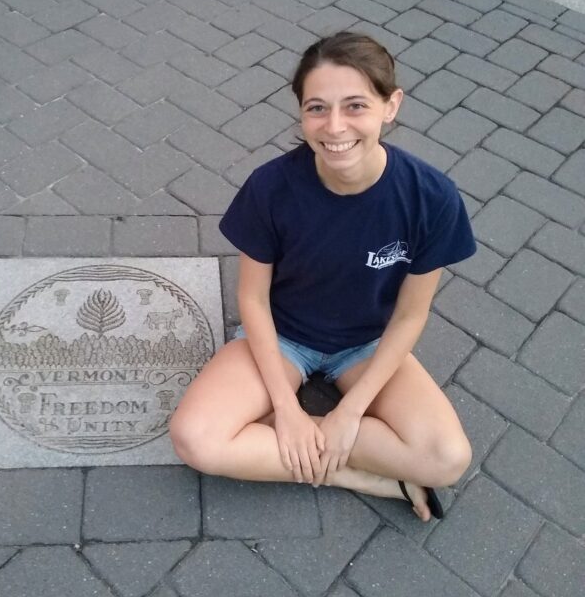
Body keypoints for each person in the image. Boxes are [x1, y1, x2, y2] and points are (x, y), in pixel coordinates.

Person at [170, 32, 475, 521]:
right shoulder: (271, 187)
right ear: (301, 113)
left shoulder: (432, 198)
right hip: (283, 336)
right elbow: (253, 299)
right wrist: (287, 411)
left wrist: (349, 413)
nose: (334, 127)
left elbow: (409, 316)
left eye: (356, 105)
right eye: (317, 108)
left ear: (390, 105)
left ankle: (293, 444)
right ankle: (354, 475)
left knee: (447, 459)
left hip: (367, 344)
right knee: (195, 439)